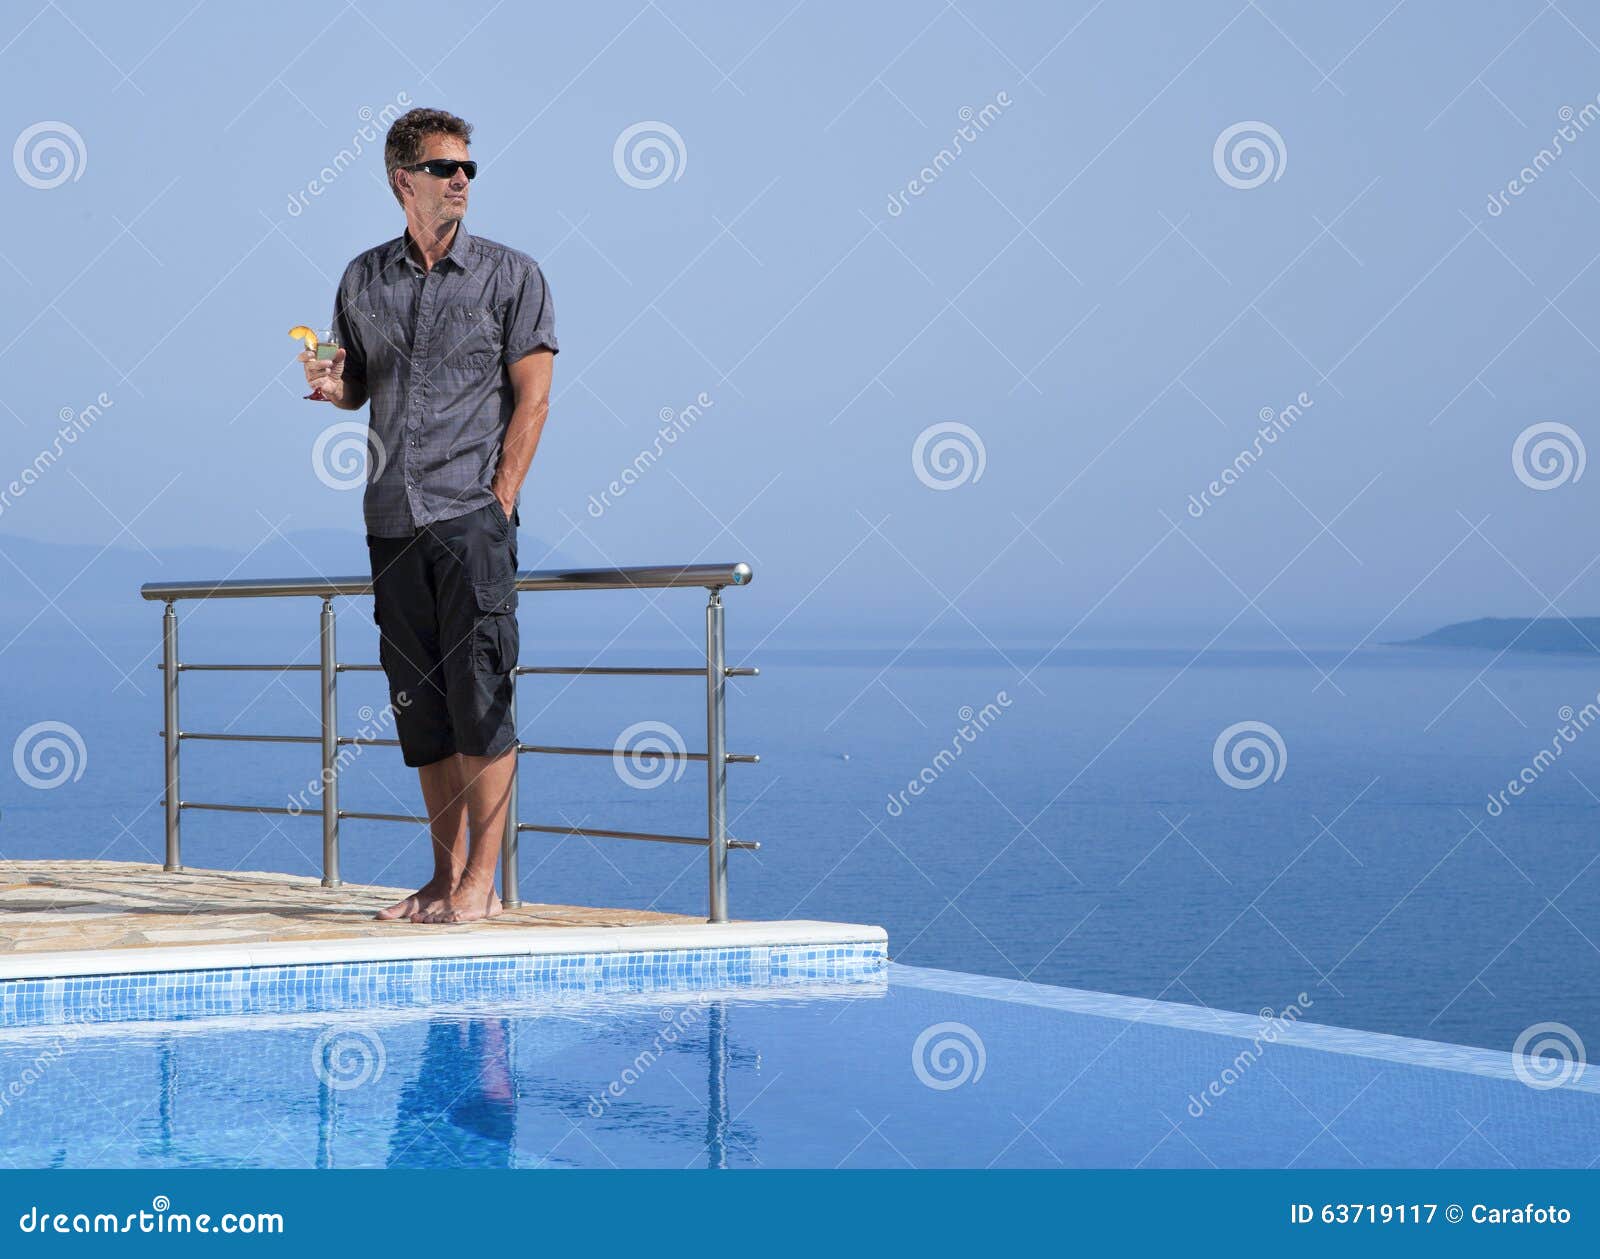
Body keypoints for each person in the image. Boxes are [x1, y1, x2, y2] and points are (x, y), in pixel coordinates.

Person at [300, 107, 557, 923]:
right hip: (391, 520)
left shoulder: (512, 276)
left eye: (469, 168)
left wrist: (502, 498)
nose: (462, 180)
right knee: (423, 709)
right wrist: (329, 384)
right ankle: (442, 880)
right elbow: (355, 390)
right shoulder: (361, 278)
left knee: (482, 699)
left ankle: (481, 881)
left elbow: (535, 397)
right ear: (400, 178)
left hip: (469, 519)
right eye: (447, 167)